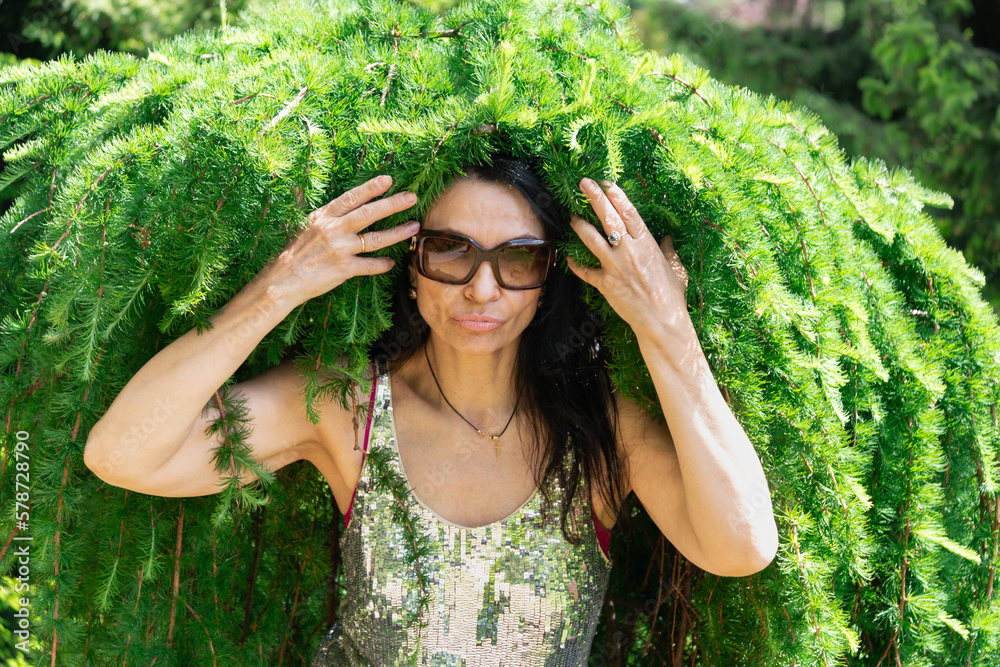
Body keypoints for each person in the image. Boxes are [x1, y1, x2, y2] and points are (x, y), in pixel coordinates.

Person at [83, 155, 778, 666]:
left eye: (518, 257)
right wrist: (280, 286)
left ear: (548, 278)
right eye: (449, 250)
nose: (482, 287)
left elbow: (742, 545)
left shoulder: (600, 422)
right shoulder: (344, 403)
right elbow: (122, 453)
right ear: (411, 266)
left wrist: (666, 325)